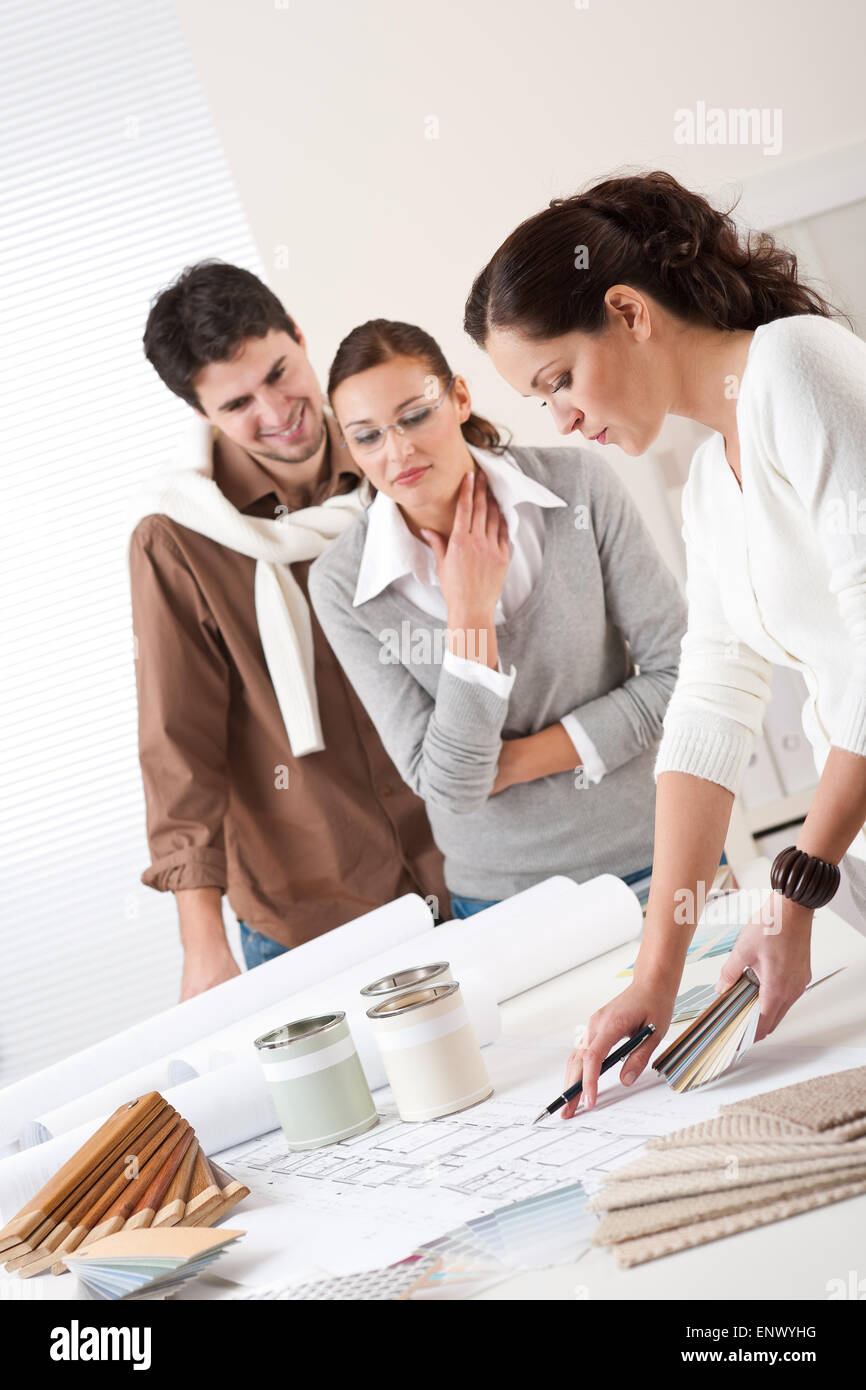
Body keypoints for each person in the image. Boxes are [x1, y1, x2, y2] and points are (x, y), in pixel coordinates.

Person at [463, 168, 866, 1113]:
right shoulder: (708, 490)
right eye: (538, 399)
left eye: (558, 378)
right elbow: (710, 710)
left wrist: (796, 883)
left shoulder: (797, 367)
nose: (558, 417)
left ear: (629, 313)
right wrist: (654, 972)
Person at [130, 262, 449, 999]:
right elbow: (182, 749)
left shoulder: (396, 458)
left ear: (301, 337)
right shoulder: (180, 540)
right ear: (203, 413)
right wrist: (203, 947)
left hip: (469, 865)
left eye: (280, 372)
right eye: (239, 402)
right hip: (312, 916)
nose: (278, 411)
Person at [307, 318, 690, 921]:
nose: (398, 451)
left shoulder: (577, 487)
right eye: (368, 436)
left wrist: (510, 764)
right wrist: (469, 615)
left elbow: (683, 677)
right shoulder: (341, 584)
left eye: (414, 415)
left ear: (459, 398)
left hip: (666, 853)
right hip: (504, 904)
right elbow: (454, 788)